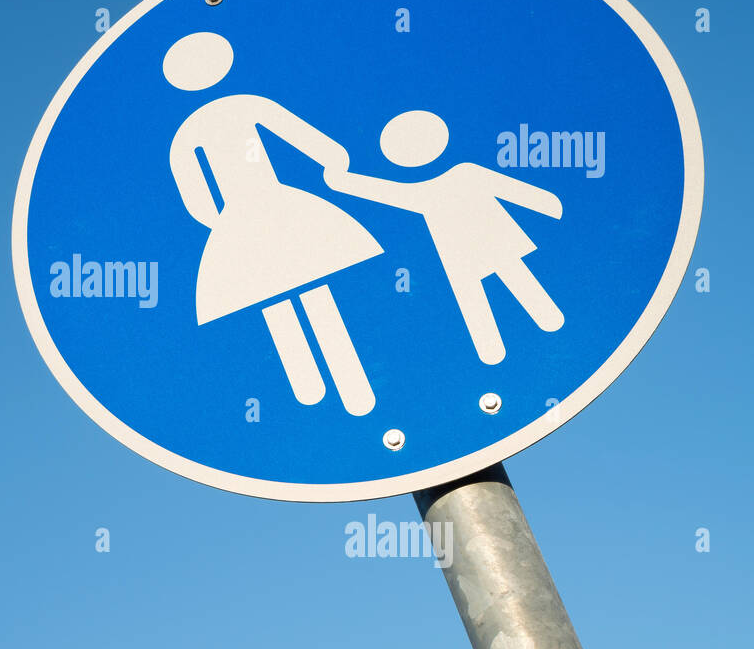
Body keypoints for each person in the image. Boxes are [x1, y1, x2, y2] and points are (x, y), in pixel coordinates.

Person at [164, 31, 381, 415]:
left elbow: (196, 197)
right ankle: (336, 391)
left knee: (274, 294)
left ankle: (322, 389)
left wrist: (223, 223)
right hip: (267, 206)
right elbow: (304, 138)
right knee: (307, 288)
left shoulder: (190, 130)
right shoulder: (240, 108)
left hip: (244, 216)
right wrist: (334, 160)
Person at [323, 110, 564, 365]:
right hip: (469, 248)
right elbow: (385, 192)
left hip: (485, 243)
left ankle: (525, 333)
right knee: (481, 291)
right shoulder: (454, 178)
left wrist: (343, 182)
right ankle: (494, 349)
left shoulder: (446, 182)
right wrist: (343, 182)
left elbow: (509, 188)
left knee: (495, 285)